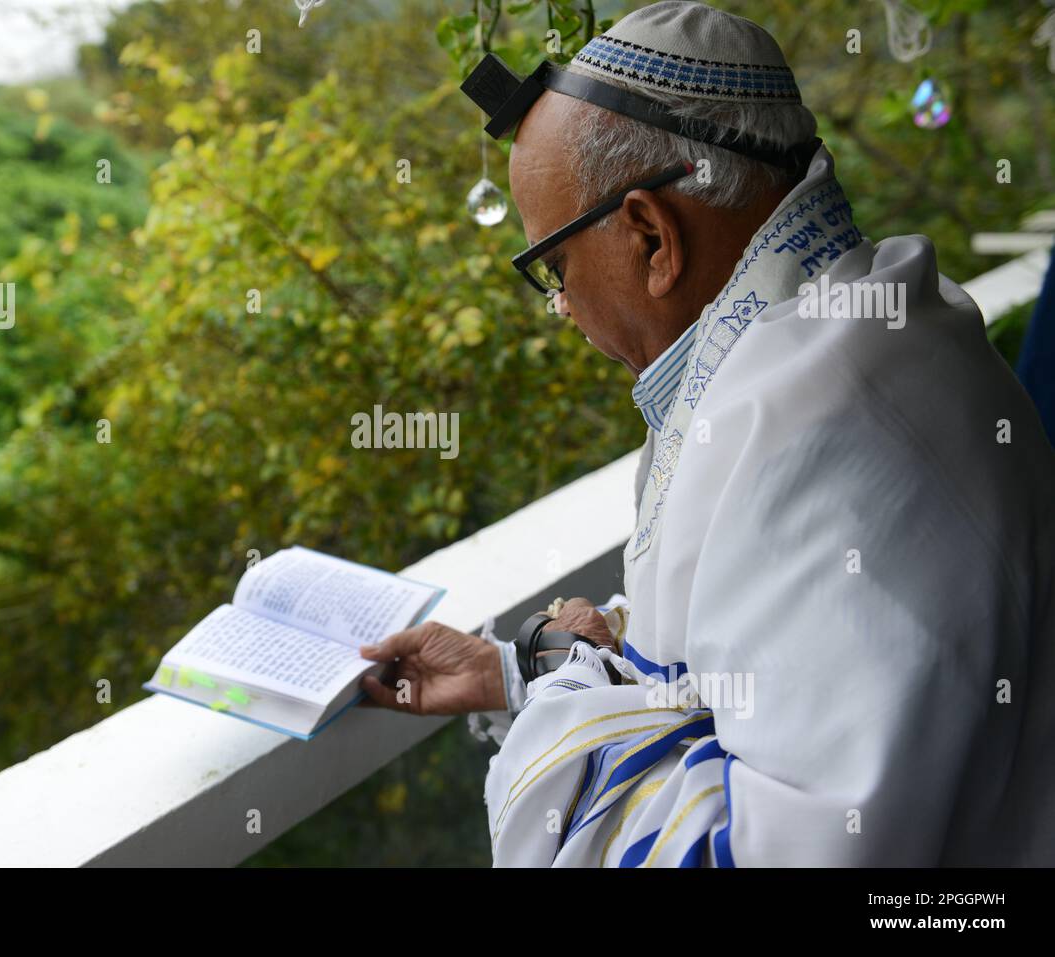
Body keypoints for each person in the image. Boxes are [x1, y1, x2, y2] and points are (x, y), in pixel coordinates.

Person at [358, 0, 1055, 866]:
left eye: (554, 268)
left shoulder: (819, 425)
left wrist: (564, 686)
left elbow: (774, 848)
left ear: (653, 234)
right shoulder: (870, 330)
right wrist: (515, 667)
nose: (561, 308)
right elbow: (753, 643)